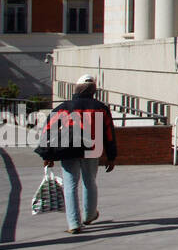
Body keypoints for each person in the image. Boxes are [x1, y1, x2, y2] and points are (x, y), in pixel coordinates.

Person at [34, 75, 117, 234]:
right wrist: (111, 157)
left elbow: (48, 130)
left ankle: (74, 224)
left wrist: (47, 155)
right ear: (94, 90)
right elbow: (109, 134)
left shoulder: (64, 107)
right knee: (90, 182)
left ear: (76, 88)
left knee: (70, 186)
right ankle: (90, 215)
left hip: (68, 149)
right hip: (92, 148)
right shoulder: (100, 107)